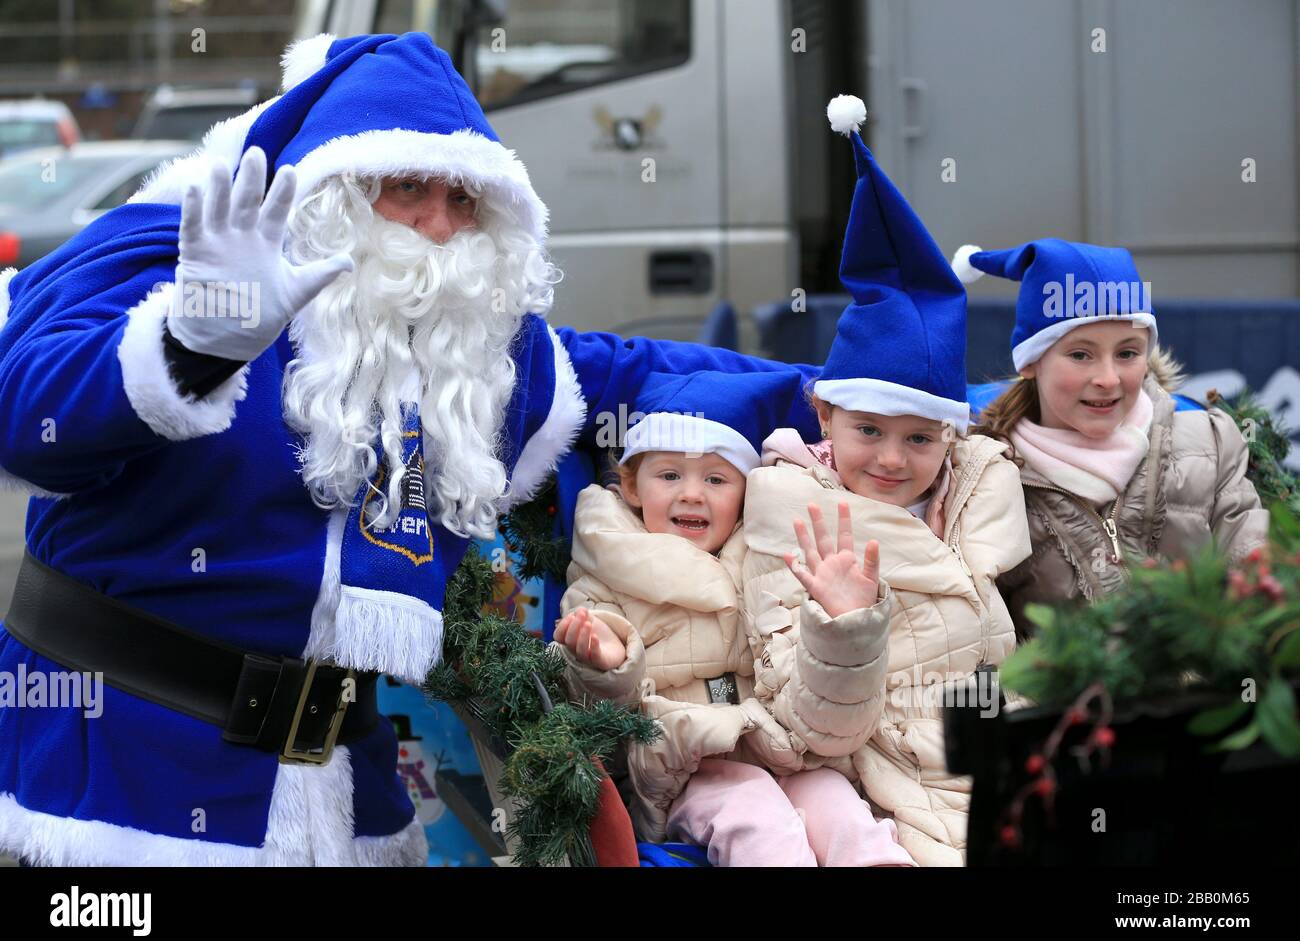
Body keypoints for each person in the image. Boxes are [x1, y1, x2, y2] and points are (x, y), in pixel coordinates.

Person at [0, 33, 816, 866]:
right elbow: (27, 412)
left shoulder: (473, 342)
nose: (438, 227)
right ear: (330, 187)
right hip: (120, 782)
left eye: (464, 199)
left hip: (336, 785)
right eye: (408, 188)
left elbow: (636, 371)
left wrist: (861, 397)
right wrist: (191, 342)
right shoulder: (174, 249)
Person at [739, 96, 1032, 866]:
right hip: (883, 774)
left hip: (1002, 746)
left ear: (953, 434)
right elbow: (804, 736)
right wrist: (844, 629)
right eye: (869, 431)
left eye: (919, 437)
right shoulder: (790, 513)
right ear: (824, 414)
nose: (893, 461)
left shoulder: (979, 490)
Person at [553, 369, 913, 866]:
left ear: (746, 494)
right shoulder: (607, 565)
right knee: (756, 815)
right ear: (632, 487)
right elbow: (599, 726)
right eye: (670, 475)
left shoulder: (766, 554)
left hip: (780, 744)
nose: (692, 493)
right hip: (686, 763)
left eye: (716, 479)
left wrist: (837, 617)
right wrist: (606, 666)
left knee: (840, 805)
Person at [956, 238, 1270, 638]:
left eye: (1127, 353)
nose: (1107, 378)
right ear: (1032, 361)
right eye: (1081, 355)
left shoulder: (1210, 443)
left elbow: (1255, 574)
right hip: (1060, 700)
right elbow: (976, 637)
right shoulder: (983, 471)